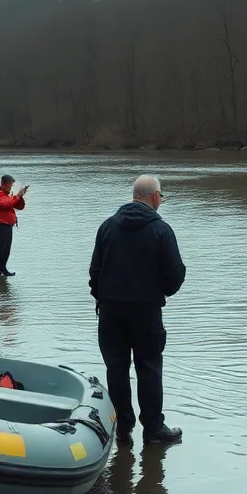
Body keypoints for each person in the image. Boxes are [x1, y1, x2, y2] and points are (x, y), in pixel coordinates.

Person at [89, 175, 186, 445]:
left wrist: (100, 295)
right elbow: (175, 275)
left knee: (116, 368)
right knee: (149, 367)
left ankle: (122, 427)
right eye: (161, 197)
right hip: (146, 310)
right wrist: (159, 292)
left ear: (134, 196)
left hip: (111, 311)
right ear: (154, 197)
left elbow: (95, 270)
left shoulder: (107, 227)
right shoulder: (161, 230)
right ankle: (153, 428)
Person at [0, 174, 28, 277]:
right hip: (0, 226)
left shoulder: (6, 195)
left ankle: (2, 268)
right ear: (4, 184)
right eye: (10, 185)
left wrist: (20, 197)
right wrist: (17, 196)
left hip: (6, 226)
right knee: (0, 249)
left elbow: (19, 206)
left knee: (5, 249)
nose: (11, 187)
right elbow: (5, 204)